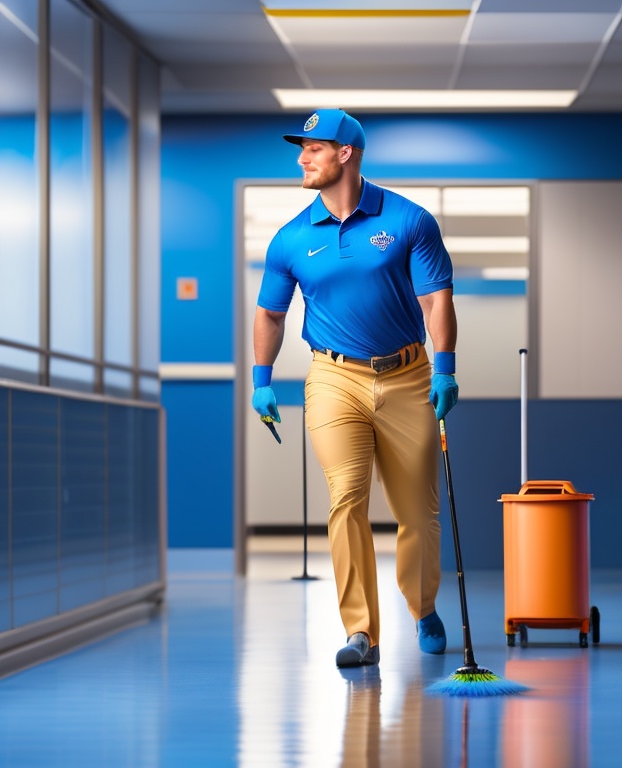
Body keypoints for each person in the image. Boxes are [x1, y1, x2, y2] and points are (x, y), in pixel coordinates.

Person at [250, 108, 458, 667]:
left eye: (313, 148)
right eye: (302, 149)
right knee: (346, 500)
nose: (302, 158)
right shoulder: (291, 238)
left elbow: (436, 298)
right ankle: (361, 631)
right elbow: (270, 313)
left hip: (409, 375)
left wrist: (444, 366)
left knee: (419, 510)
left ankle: (422, 605)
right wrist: (261, 381)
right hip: (332, 378)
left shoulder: (409, 220)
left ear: (346, 153)